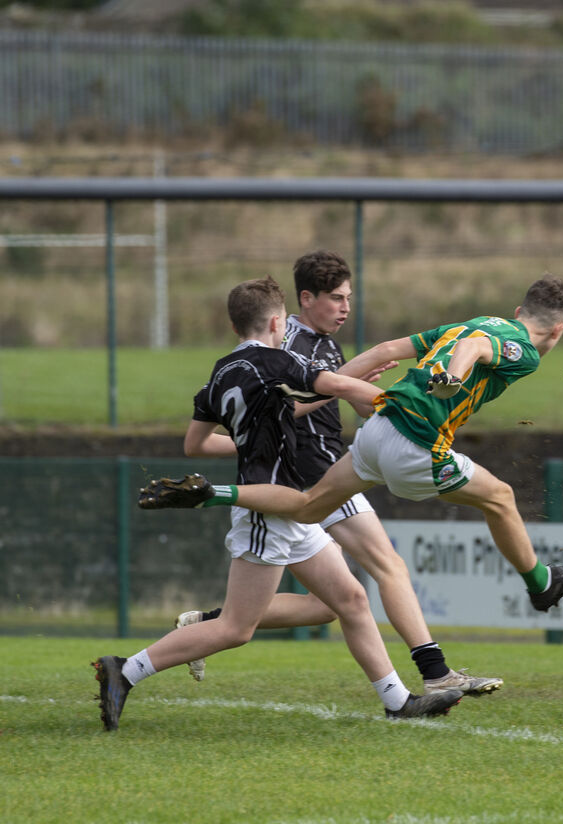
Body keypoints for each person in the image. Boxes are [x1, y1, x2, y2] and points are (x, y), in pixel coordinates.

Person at [93, 277, 462, 731]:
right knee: (235, 629)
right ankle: (125, 670)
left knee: (348, 598)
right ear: (275, 321)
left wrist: (250, 448)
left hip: (291, 504)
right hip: (269, 508)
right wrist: (404, 407)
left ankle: (397, 701)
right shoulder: (278, 360)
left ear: (234, 323)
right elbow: (343, 389)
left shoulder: (223, 370)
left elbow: (197, 444)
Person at [138, 274, 563, 617]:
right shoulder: (523, 347)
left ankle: (209, 494)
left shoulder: (474, 321)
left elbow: (383, 352)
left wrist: (320, 392)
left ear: (518, 310)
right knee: (500, 498)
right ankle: (540, 586)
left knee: (307, 507)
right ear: (557, 331)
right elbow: (478, 348)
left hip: (375, 431)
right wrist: (450, 377)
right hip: (417, 442)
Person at [175, 250, 502, 698]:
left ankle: (206, 625)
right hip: (312, 470)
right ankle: (435, 672)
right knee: (388, 565)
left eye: (349, 297)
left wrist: (360, 394)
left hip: (327, 461)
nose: (345, 307)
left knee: (330, 605)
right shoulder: (284, 341)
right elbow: (290, 407)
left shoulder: (326, 343)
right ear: (305, 300)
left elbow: (330, 398)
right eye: (336, 298)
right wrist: (361, 385)